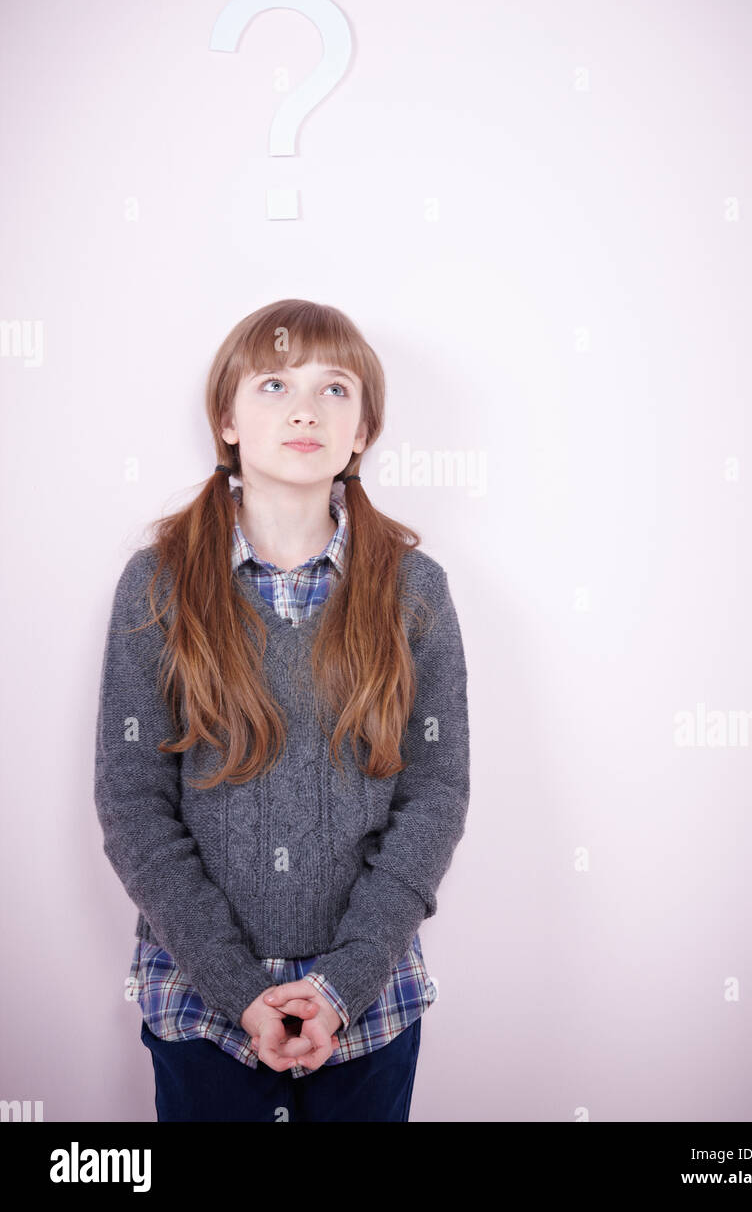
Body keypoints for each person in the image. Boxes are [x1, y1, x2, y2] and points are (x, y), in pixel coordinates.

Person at [94, 298, 471, 1122]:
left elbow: (435, 796)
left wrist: (343, 983)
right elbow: (132, 804)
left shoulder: (416, 591)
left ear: (363, 430)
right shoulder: (155, 586)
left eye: (334, 389)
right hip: (200, 1002)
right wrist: (238, 987)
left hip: (369, 1006)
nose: (305, 408)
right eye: (273, 384)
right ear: (226, 419)